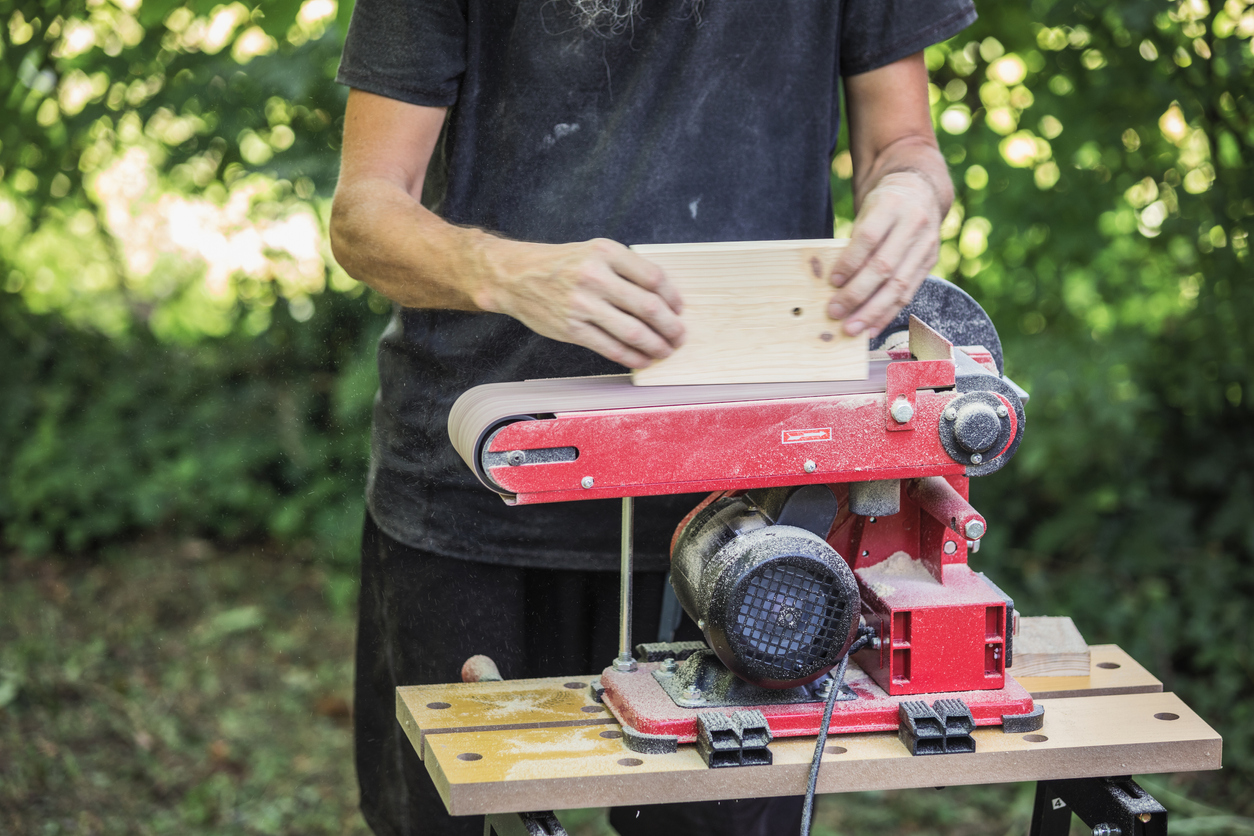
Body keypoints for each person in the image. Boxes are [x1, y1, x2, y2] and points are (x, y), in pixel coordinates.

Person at [330, 0, 975, 833]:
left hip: (752, 509)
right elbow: (363, 213)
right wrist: (504, 272)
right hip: (479, 487)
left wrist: (910, 196)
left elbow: (903, 147)